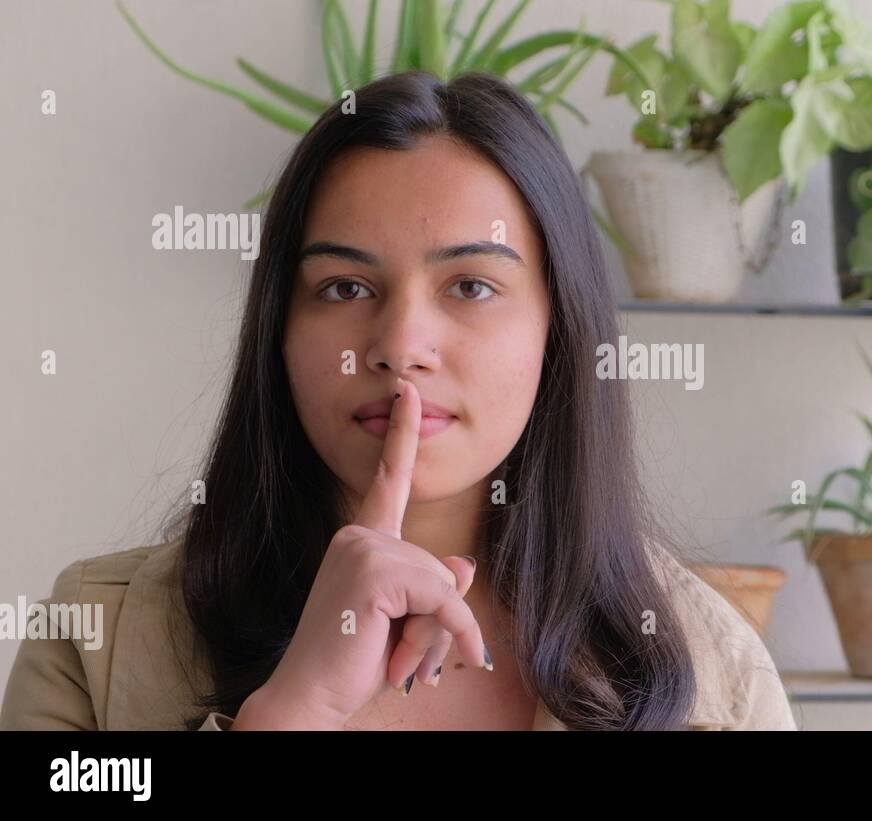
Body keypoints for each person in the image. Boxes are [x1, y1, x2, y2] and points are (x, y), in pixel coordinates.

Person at [0, 71, 796, 731]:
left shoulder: (716, 679)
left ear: (559, 329)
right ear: (279, 329)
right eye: (344, 286)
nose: (399, 344)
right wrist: (294, 708)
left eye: (473, 286)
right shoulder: (98, 643)